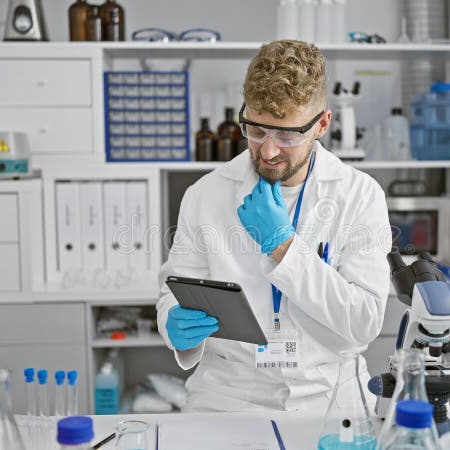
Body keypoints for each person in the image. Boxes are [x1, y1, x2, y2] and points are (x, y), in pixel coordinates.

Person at [156, 40, 392, 412]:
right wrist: (173, 322)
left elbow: (363, 321)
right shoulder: (205, 194)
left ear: (322, 125)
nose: (267, 151)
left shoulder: (360, 196)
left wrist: (283, 247)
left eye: (286, 135)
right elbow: (175, 289)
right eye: (256, 129)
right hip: (229, 395)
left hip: (330, 393)